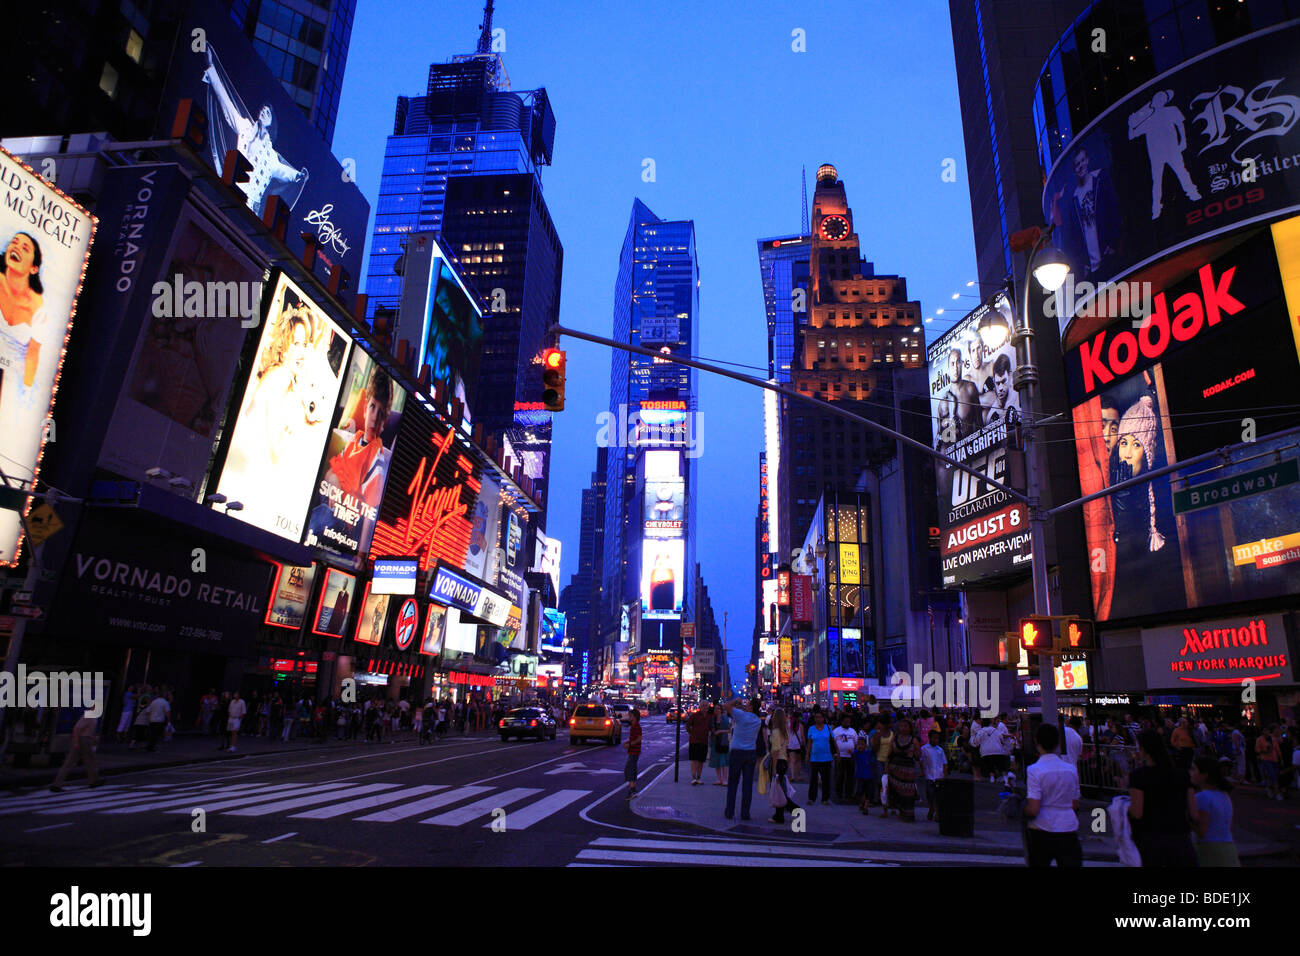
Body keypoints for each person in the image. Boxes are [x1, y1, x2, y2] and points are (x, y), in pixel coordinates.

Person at [1128, 730, 1198, 867]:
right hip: (1180, 837)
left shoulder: (1139, 776)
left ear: (1143, 749)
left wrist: (1124, 807)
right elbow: (1193, 812)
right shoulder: (1182, 775)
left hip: (1152, 838)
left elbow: (1137, 812)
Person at [1024, 723, 1082, 866]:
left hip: (1043, 828)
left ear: (1036, 741)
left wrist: (1022, 809)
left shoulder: (1034, 770)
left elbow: (1034, 808)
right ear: (1058, 743)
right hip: (1068, 827)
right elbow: (1075, 804)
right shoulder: (1071, 770)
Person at [0, 231, 50, 393]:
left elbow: (33, 354)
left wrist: (26, 390)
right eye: (14, 242)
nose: (16, 247)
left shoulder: (39, 309)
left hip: (12, 383)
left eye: (25, 248)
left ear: (34, 268)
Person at [1190, 756, 1240, 867]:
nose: (1190, 772)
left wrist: (1187, 818)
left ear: (1204, 774)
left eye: (1194, 769)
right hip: (1229, 847)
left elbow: (1202, 831)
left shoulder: (1201, 797)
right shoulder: (1225, 796)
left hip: (1210, 850)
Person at [721, 693, 762, 821]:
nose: (745, 705)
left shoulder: (741, 716)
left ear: (750, 707)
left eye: (748, 704)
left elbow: (725, 706)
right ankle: (745, 813)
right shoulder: (757, 721)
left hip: (737, 752)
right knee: (747, 785)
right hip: (750, 753)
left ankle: (729, 811)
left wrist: (736, 700)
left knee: (733, 783)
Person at [49, 711, 102, 792]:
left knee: (76, 762)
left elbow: (89, 730)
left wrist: (93, 738)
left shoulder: (94, 717)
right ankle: (94, 781)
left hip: (86, 739)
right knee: (90, 761)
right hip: (83, 740)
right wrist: (76, 742)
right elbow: (77, 728)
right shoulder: (88, 715)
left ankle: (57, 784)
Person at [885, 718, 922, 822]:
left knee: (908, 793)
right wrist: (886, 767)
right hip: (895, 769)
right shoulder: (895, 738)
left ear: (910, 728)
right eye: (901, 726)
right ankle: (900, 811)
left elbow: (918, 756)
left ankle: (908, 814)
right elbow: (889, 754)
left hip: (908, 771)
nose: (903, 728)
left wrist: (914, 753)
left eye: (906, 726)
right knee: (896, 792)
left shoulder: (914, 740)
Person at [767, 708, 799, 825]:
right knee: (780, 789)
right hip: (783, 760)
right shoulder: (784, 731)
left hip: (778, 761)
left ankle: (788, 811)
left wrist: (774, 767)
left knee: (778, 789)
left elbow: (775, 750)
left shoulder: (776, 732)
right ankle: (784, 812)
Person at [804, 709, 834, 805]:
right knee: (813, 778)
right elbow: (809, 742)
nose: (818, 719)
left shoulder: (828, 728)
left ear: (823, 718)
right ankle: (811, 798)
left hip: (826, 756)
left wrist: (837, 753)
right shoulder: (811, 728)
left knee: (826, 778)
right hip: (815, 756)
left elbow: (833, 741)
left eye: (820, 717)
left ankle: (825, 798)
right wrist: (807, 754)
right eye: (816, 717)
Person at [920, 729, 948, 822]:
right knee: (930, 795)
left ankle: (937, 812)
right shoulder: (924, 749)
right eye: (934, 738)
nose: (936, 740)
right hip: (929, 776)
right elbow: (921, 761)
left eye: (937, 739)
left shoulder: (940, 750)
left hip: (939, 776)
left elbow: (944, 763)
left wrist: (945, 773)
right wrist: (922, 771)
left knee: (938, 796)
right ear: (930, 738)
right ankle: (931, 808)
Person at [832, 714, 858, 803]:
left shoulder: (852, 731)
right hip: (840, 756)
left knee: (850, 776)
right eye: (845, 721)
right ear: (842, 721)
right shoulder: (836, 731)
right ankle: (838, 793)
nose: (847, 723)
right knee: (840, 775)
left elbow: (856, 742)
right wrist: (836, 753)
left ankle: (848, 793)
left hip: (850, 757)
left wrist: (853, 750)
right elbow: (832, 742)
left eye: (848, 721)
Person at [686, 704, 712, 784]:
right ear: (700, 707)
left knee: (701, 760)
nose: (705, 708)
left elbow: (711, 727)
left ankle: (698, 777)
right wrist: (692, 733)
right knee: (694, 760)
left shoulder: (709, 717)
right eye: (703, 706)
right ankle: (694, 777)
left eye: (706, 707)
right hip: (694, 741)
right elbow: (688, 726)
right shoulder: (694, 716)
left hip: (704, 741)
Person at [708, 705, 731, 786]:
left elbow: (729, 730)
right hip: (715, 741)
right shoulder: (713, 719)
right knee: (717, 761)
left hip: (723, 742)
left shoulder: (724, 718)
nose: (717, 710)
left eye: (718, 708)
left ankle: (725, 779)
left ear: (721, 710)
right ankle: (719, 779)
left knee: (723, 761)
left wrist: (720, 731)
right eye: (715, 709)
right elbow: (711, 729)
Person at [1257, 725, 1282, 799]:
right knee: (1272, 774)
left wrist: (1281, 757)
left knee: (1274, 775)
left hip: (1274, 759)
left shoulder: (1273, 739)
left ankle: (1269, 788)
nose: (1266, 732)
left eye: (1267, 730)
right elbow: (1257, 750)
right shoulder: (1260, 740)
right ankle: (1277, 792)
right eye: (1265, 730)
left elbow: (1277, 748)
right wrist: (1264, 751)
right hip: (1266, 759)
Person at [853, 735, 875, 814]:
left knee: (868, 791)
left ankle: (866, 806)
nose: (860, 746)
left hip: (869, 776)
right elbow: (854, 754)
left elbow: (873, 750)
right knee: (860, 791)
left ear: (865, 745)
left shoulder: (868, 753)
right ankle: (861, 803)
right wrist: (857, 749)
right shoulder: (856, 753)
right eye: (859, 744)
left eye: (862, 744)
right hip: (860, 776)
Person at [624, 708, 642, 800]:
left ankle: (632, 790)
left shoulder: (636, 726)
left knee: (629, 770)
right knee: (632, 769)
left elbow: (639, 739)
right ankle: (633, 789)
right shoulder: (634, 726)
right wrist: (628, 743)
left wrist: (630, 744)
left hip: (634, 751)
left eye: (630, 715)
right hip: (633, 751)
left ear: (634, 717)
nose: (628, 717)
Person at [787, 711, 805, 783]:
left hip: (790, 745)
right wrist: (804, 744)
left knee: (792, 761)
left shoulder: (788, 725)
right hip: (798, 745)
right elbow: (803, 736)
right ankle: (799, 776)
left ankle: (792, 776)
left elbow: (787, 735)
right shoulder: (800, 725)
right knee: (798, 761)